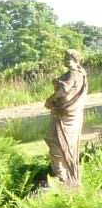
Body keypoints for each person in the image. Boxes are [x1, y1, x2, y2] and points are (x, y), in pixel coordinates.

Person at [44, 48, 89, 189]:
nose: (65, 60)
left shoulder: (74, 74)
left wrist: (49, 100)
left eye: (67, 58)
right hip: (61, 113)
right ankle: (61, 174)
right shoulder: (73, 74)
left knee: (58, 142)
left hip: (66, 115)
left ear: (76, 60)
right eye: (64, 57)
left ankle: (63, 177)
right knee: (54, 141)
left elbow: (63, 91)